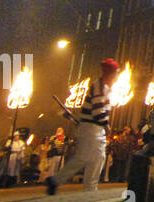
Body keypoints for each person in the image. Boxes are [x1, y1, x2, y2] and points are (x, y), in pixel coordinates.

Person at [46, 59, 117, 194]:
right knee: (95, 159)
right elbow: (97, 111)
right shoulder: (99, 86)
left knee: (86, 158)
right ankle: (89, 190)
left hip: (93, 129)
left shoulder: (103, 87)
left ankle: (57, 181)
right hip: (92, 129)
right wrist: (106, 125)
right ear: (111, 73)